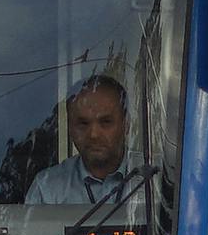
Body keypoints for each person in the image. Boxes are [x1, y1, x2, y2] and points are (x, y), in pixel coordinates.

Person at [24, 75, 142, 207]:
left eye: (105, 122)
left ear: (126, 124)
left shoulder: (156, 176)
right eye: (83, 124)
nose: (94, 134)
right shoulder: (47, 188)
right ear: (70, 128)